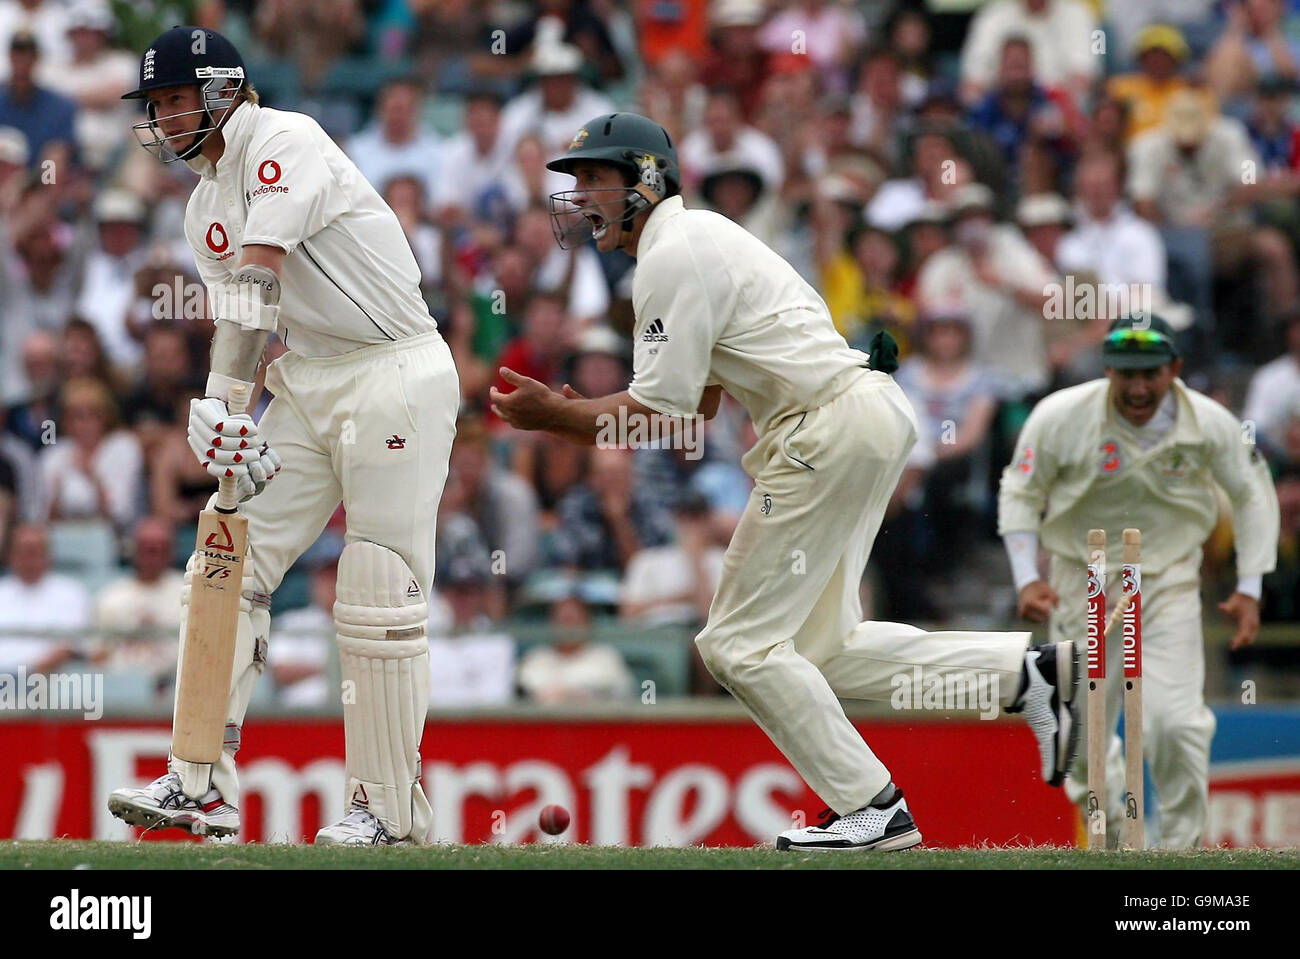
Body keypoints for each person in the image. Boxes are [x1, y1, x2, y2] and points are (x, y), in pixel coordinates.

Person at [492, 112, 1082, 851]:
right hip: (857, 418)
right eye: (573, 181)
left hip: (824, 427)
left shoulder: (671, 253)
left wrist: (559, 417)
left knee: (737, 643)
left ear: (644, 180)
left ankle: (874, 808)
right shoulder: (692, 241)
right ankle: (1029, 676)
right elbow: (696, 408)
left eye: (591, 178)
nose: (577, 196)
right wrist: (583, 416)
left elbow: (663, 411)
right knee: (821, 650)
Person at [106, 26, 459, 846]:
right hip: (307, 376)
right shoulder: (201, 207)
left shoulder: (287, 139)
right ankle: (199, 784)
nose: (160, 119)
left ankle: (387, 812)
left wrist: (224, 400)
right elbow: (241, 317)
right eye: (153, 105)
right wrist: (225, 406)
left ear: (224, 91)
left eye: (172, 100)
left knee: (374, 590)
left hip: (394, 371)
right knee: (222, 565)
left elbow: (261, 270)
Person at [998, 314, 1280, 848]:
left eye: (1151, 373)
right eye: (1126, 374)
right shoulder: (1061, 415)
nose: (1138, 388)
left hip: (1168, 579)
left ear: (1175, 367)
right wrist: (1024, 578)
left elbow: (1251, 491)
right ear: (1108, 369)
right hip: (1081, 579)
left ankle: (1181, 855)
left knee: (1175, 725)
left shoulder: (1211, 422)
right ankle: (1111, 852)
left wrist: (1250, 587)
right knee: (1083, 741)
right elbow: (1021, 489)